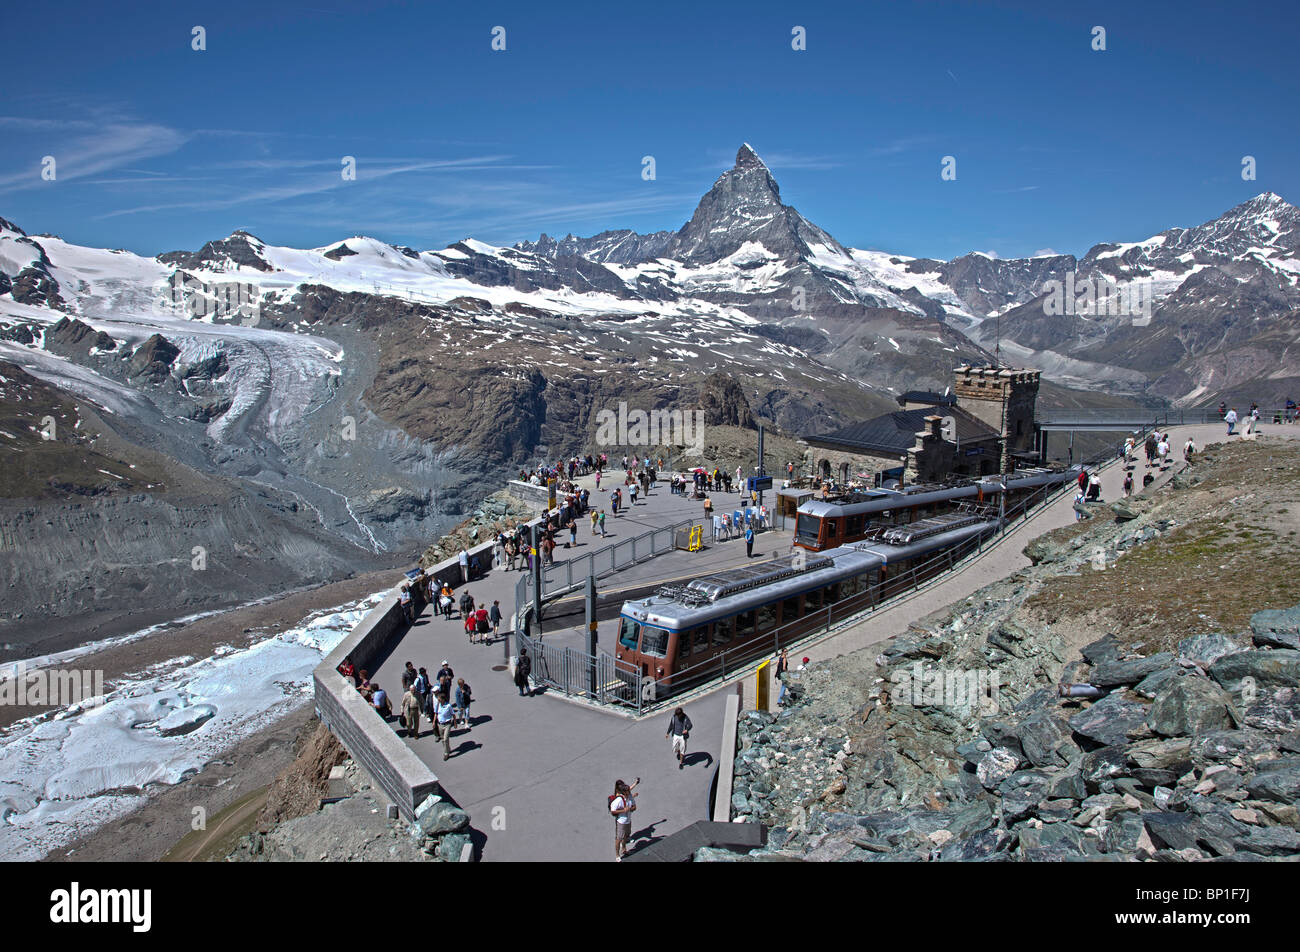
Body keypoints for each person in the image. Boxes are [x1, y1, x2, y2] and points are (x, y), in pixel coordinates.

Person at [610, 778, 638, 860]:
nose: (629, 792)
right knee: (618, 839)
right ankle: (617, 855)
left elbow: (634, 807)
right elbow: (612, 811)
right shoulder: (618, 800)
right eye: (628, 791)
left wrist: (631, 809)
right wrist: (623, 810)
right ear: (624, 792)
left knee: (626, 835)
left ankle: (624, 849)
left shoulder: (629, 797)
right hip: (621, 822)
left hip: (628, 820)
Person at [434, 691, 456, 761]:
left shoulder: (448, 706)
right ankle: (448, 748)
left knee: (446, 738)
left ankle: (446, 753)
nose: (438, 700)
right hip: (440, 724)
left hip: (447, 724)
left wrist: (455, 723)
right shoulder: (438, 705)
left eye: (439, 698)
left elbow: (453, 715)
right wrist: (434, 722)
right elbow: (436, 713)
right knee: (443, 739)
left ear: (443, 699)